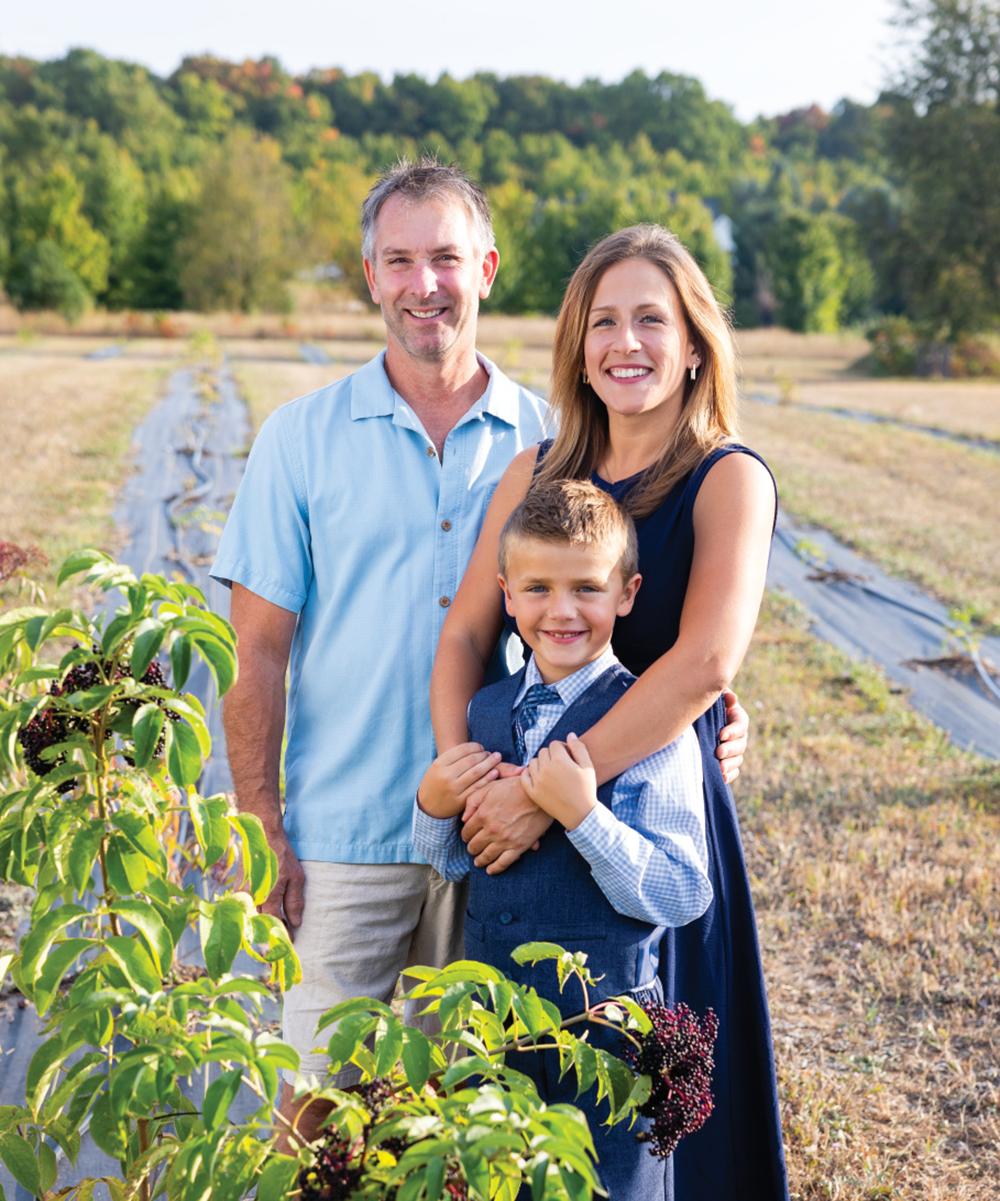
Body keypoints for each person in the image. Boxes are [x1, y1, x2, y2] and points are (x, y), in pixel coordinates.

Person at [210, 158, 749, 1149]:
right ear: (370, 274)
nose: (425, 283)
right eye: (400, 260)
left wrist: (706, 715)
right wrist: (258, 815)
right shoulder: (303, 438)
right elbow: (260, 650)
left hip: (506, 843)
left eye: (447, 258)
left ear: (487, 269)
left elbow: (643, 633)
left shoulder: (549, 442)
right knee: (314, 1101)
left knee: (459, 1116)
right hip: (354, 827)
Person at [429, 225, 788, 1198]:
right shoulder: (533, 471)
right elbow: (464, 639)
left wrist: (548, 794)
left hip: (646, 812)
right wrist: (474, 783)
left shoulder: (727, 477)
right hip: (523, 809)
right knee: (517, 1108)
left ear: (695, 344)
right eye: (603, 322)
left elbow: (704, 662)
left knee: (647, 1121)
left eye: (651, 320)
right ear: (576, 346)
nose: (625, 343)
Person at [414, 478, 712, 1200]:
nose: (562, 610)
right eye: (538, 588)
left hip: (607, 1034)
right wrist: (433, 805)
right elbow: (456, 861)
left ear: (627, 593)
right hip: (493, 1027)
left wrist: (585, 817)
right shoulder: (486, 712)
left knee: (609, 1186)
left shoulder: (648, 725)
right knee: (496, 1180)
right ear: (507, 596)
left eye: (586, 588)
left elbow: (682, 891)